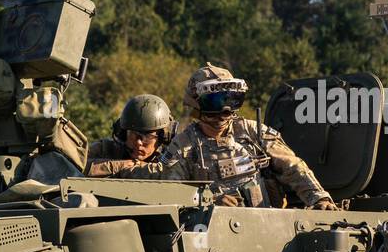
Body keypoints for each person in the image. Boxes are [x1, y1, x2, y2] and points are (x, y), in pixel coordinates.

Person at [114, 64, 338, 210]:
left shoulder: (253, 133)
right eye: (215, 102)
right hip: (217, 236)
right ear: (196, 104)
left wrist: (318, 197)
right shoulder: (184, 145)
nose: (225, 111)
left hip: (269, 225)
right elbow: (172, 193)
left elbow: (293, 166)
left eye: (231, 100)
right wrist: (209, 201)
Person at [85, 94, 173, 177]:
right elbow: (77, 165)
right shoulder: (105, 149)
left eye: (147, 137)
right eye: (133, 134)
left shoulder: (169, 159)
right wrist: (121, 165)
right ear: (123, 133)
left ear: (162, 138)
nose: (139, 142)